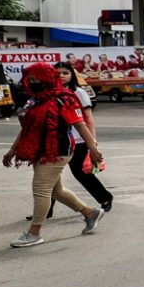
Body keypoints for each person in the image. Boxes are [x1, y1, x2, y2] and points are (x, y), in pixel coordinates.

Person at [2, 63, 104, 248]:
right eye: (30, 79)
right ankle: (90, 213)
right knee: (56, 191)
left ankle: (34, 233)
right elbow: (26, 128)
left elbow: (80, 125)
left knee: (41, 189)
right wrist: (12, 150)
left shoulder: (62, 99)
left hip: (57, 150)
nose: (32, 82)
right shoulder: (34, 100)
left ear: (46, 78)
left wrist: (93, 148)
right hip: (39, 150)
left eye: (36, 79)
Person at [53, 62, 114, 212]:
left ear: (72, 75)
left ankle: (105, 198)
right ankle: (46, 210)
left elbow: (88, 118)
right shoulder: (51, 93)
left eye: (65, 73)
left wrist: (92, 141)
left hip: (78, 140)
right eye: (58, 73)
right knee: (50, 175)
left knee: (81, 173)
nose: (62, 76)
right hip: (57, 140)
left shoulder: (79, 92)